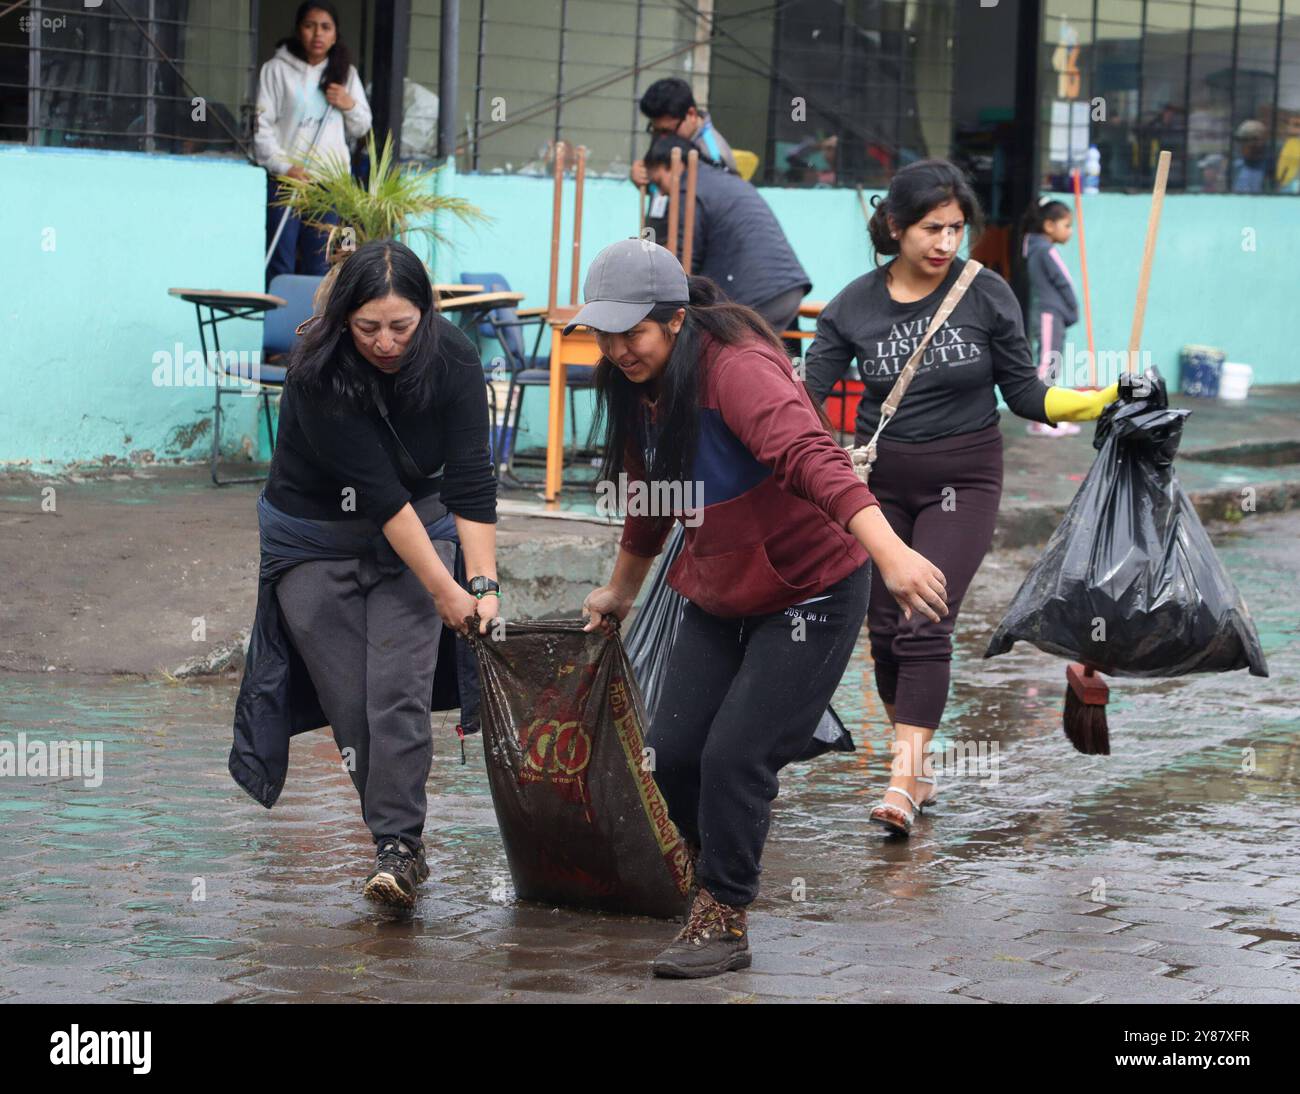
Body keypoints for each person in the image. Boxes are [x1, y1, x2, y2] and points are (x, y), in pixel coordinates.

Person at [575, 239, 948, 977]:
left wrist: (890, 553)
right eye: (605, 333)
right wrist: (620, 592)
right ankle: (715, 870)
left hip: (810, 588)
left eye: (633, 332)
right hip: (716, 587)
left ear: (675, 320)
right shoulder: (633, 382)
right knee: (672, 753)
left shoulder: (738, 370)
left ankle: (723, 914)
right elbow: (652, 495)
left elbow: (815, 458)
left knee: (734, 756)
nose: (618, 349)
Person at [803, 160, 1118, 837]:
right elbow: (804, 403)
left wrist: (1097, 400)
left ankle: (900, 781)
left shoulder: (987, 292)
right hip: (878, 487)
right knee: (884, 633)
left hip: (964, 481)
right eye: (930, 228)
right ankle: (916, 767)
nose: (946, 242)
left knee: (925, 619)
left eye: (956, 228)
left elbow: (1026, 394)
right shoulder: (852, 306)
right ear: (894, 226)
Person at [229, 240, 500, 909]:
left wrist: (485, 585)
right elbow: (379, 496)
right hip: (314, 540)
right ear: (344, 319)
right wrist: (447, 591)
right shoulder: (318, 369)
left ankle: (398, 849)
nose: (385, 342)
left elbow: (470, 478)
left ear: (427, 314)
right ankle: (396, 837)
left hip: (420, 529)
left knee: (397, 693)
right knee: (352, 704)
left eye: (401, 326)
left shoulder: (456, 359)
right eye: (368, 327)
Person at [643, 135, 811, 337]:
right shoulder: (721, 178)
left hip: (758, 298)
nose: (661, 191)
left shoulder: (690, 190)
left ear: (672, 166)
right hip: (786, 289)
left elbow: (683, 265)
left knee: (711, 352)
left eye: (659, 182)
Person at [254, 2, 372, 285]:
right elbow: (261, 126)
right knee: (280, 259)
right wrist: (284, 166)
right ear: (298, 30)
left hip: (329, 185)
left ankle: (314, 327)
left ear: (335, 35)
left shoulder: (346, 74)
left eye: (325, 27)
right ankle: (279, 325)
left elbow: (362, 126)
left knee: (320, 263)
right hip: (288, 182)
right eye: (309, 26)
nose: (317, 34)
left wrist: (348, 104)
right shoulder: (275, 70)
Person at [1020, 196, 1081, 437]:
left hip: (1053, 315)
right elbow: (1064, 282)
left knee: (1051, 362)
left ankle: (1047, 415)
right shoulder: (1044, 250)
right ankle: (1039, 418)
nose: (1070, 232)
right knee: (1047, 363)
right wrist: (1073, 309)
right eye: (1066, 225)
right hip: (1049, 315)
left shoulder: (1036, 248)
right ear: (1048, 226)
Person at [629, 77, 738, 188]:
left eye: (666, 131)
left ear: (691, 114)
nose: (661, 139)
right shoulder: (667, 134)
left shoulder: (714, 157)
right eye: (654, 130)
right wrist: (642, 175)